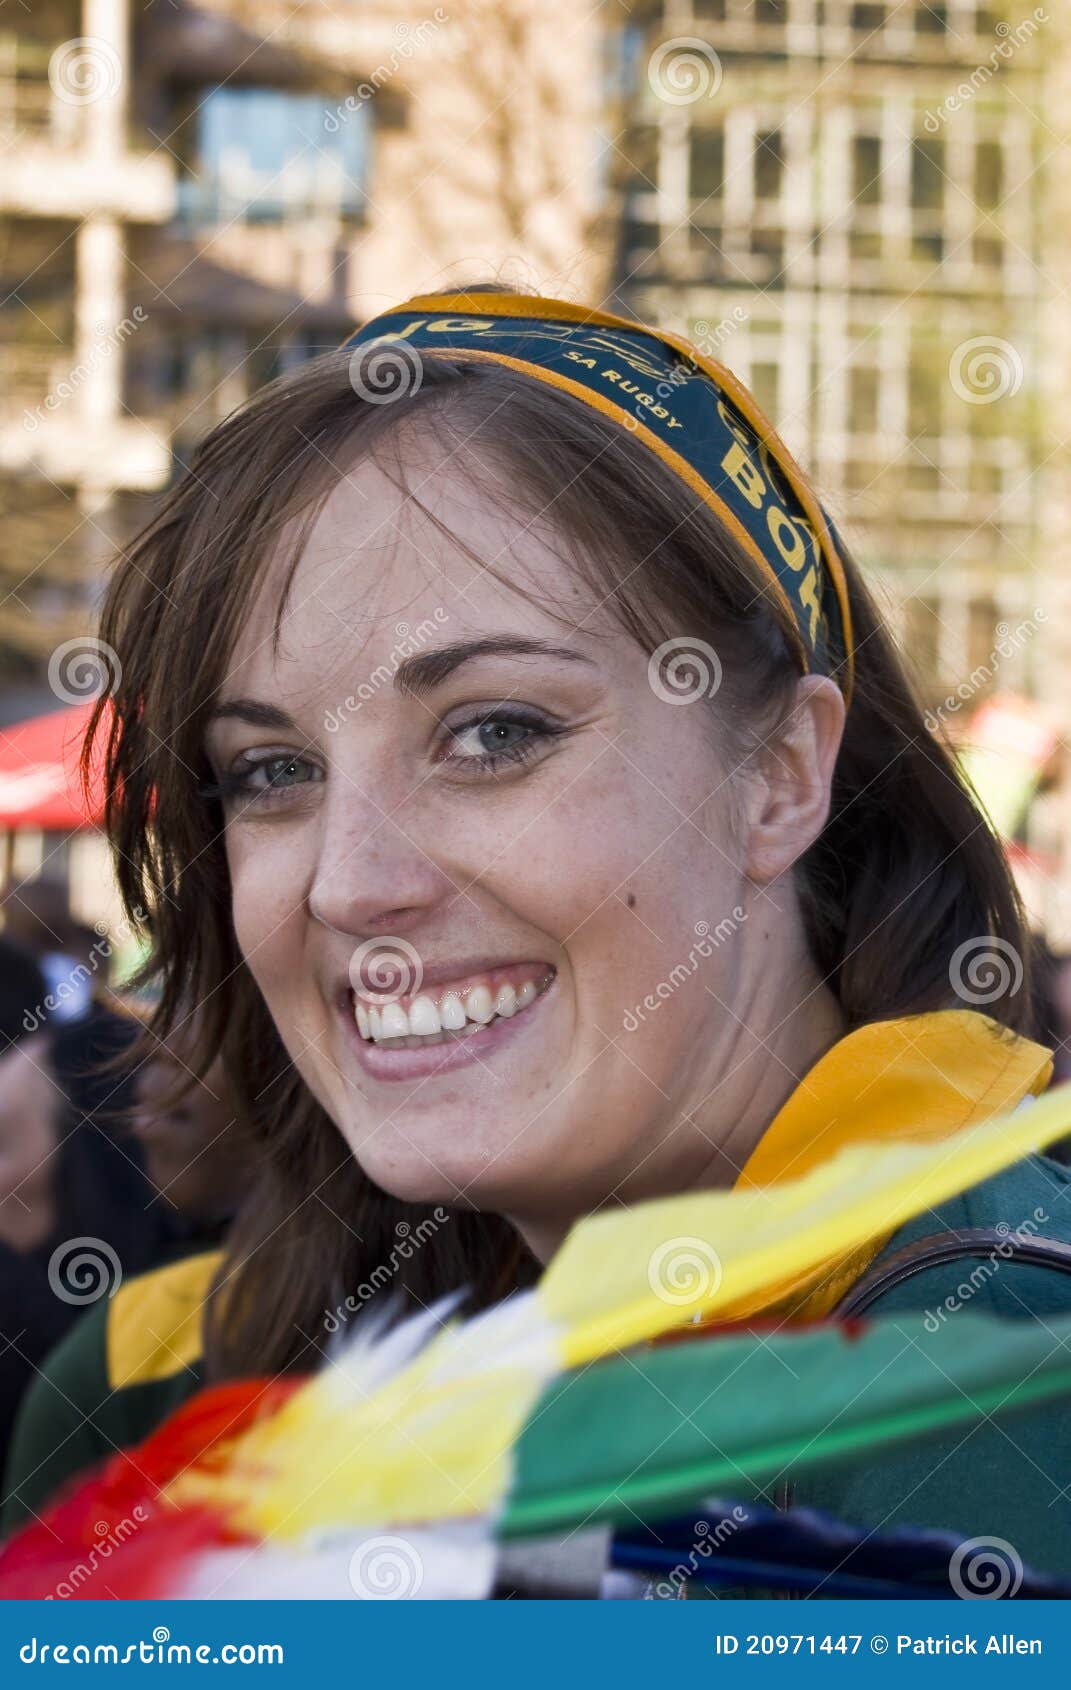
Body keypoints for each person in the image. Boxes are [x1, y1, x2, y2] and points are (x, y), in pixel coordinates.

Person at [4, 286, 1070, 1581]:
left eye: (496, 731)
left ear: (784, 771)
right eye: (273, 770)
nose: (350, 883)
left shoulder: (1001, 1387)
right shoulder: (146, 1398)